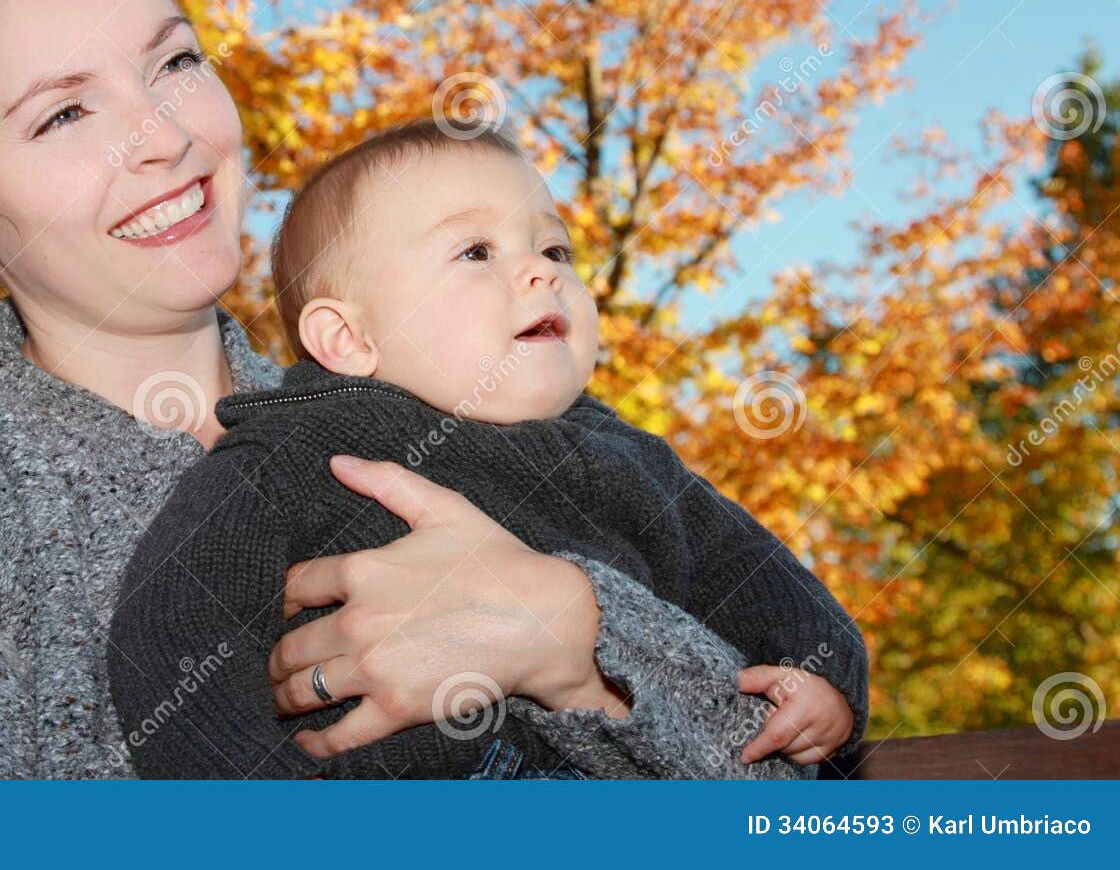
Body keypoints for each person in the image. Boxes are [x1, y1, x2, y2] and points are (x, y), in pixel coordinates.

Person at [0, 0, 826, 778]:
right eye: (65, 112)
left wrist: (579, 648)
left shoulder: (449, 400)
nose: (162, 135)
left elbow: (791, 788)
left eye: (173, 62)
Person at [107, 118, 868, 779]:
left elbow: (755, 573)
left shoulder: (633, 457)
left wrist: (818, 673)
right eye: (476, 251)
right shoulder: (294, 451)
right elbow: (173, 631)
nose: (542, 270)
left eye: (556, 250)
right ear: (348, 338)